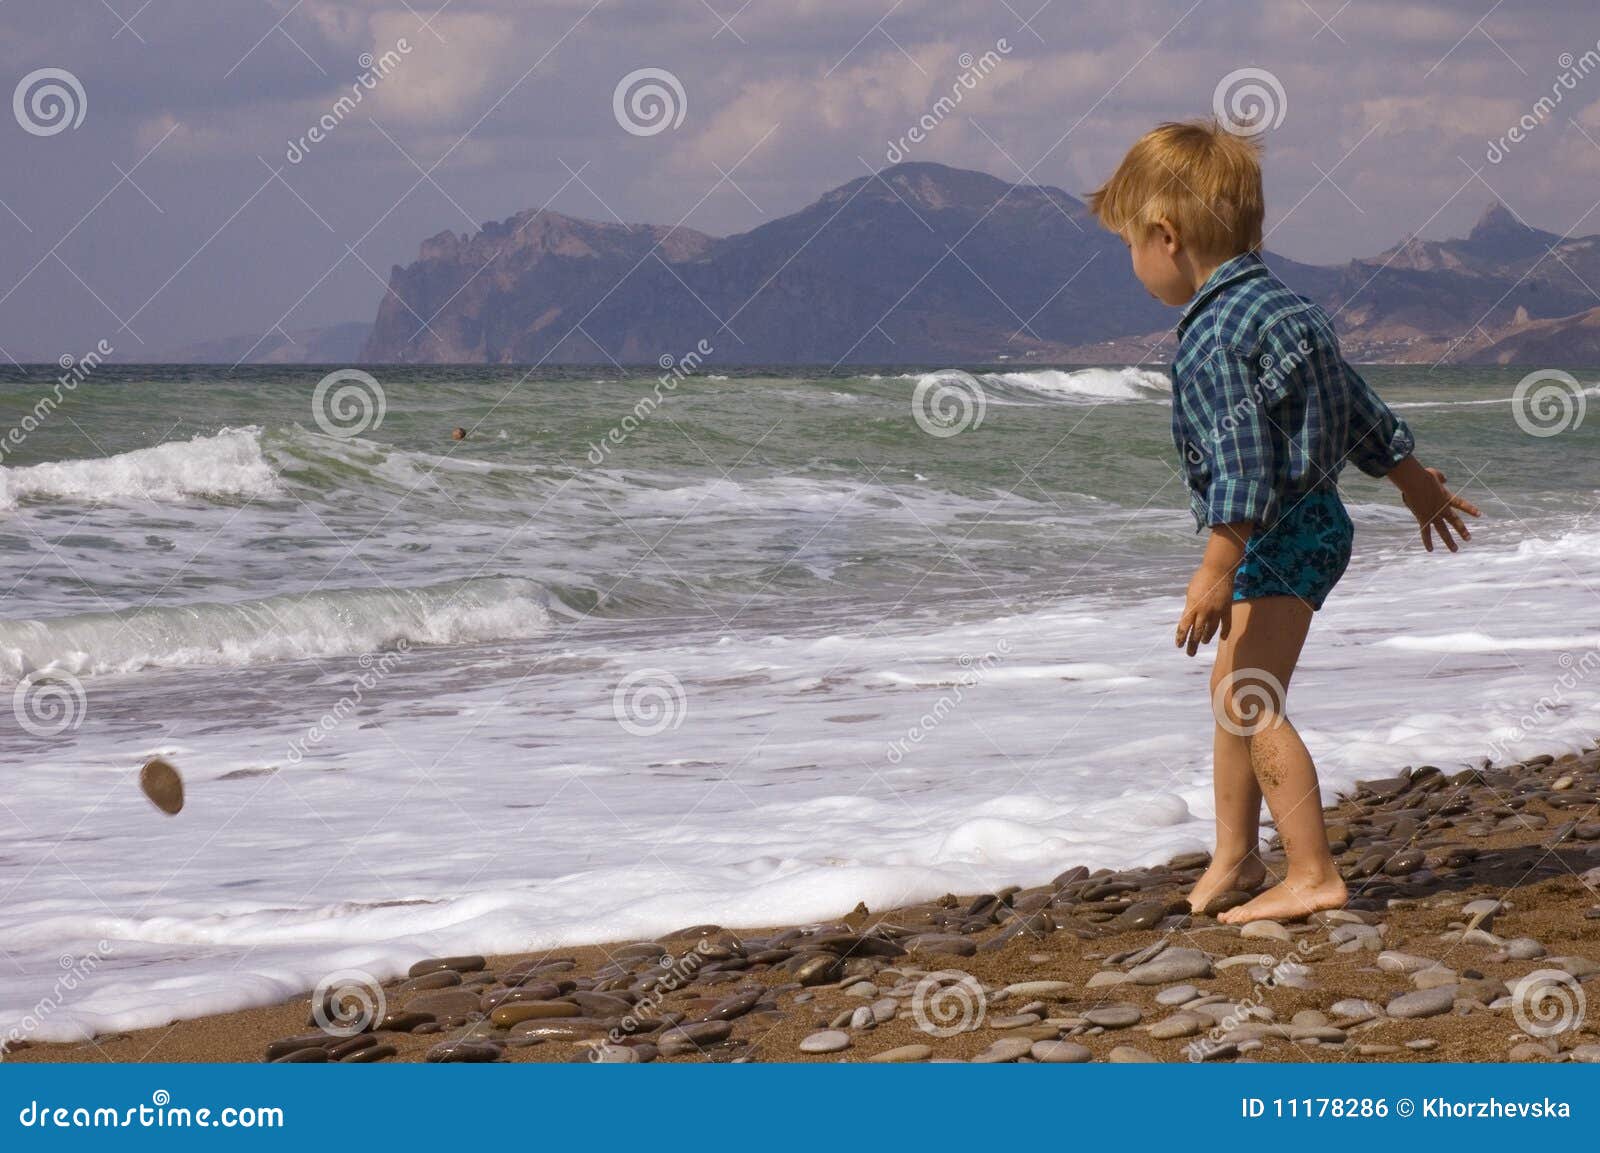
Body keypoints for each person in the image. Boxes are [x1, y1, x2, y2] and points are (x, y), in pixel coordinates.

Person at [1088, 120, 1481, 923]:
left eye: (1130, 243)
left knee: (1251, 694)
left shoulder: (1209, 341)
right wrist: (1412, 484)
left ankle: (1312, 871)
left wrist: (1214, 568)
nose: (1132, 263)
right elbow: (1354, 407)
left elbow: (1241, 468)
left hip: (1274, 533)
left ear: (1166, 238)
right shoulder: (1289, 310)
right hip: (1313, 523)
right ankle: (1235, 854)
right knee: (1230, 686)